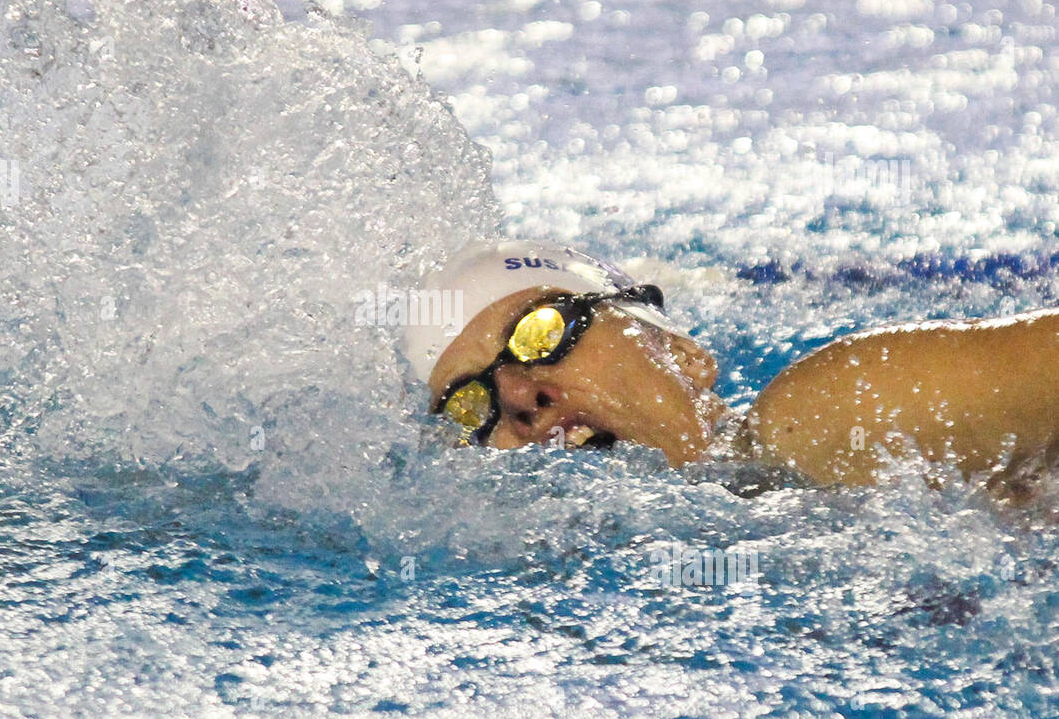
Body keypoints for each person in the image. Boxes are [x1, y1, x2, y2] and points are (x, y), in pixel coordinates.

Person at [402, 240, 1059, 502]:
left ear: (683, 354)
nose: (519, 395)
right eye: (470, 405)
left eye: (540, 332)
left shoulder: (824, 416)